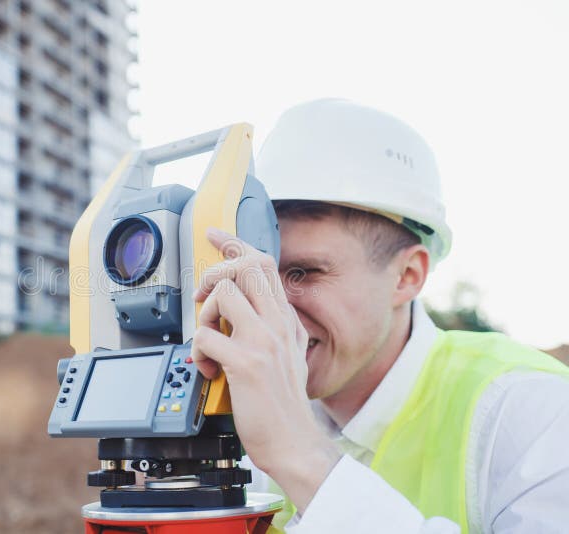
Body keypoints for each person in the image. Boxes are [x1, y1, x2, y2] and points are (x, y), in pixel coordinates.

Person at [189, 98, 569, 533]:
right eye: (258, 274)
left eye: (303, 273)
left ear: (407, 276)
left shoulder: (534, 414)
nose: (272, 308)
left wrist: (301, 456)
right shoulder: (245, 421)